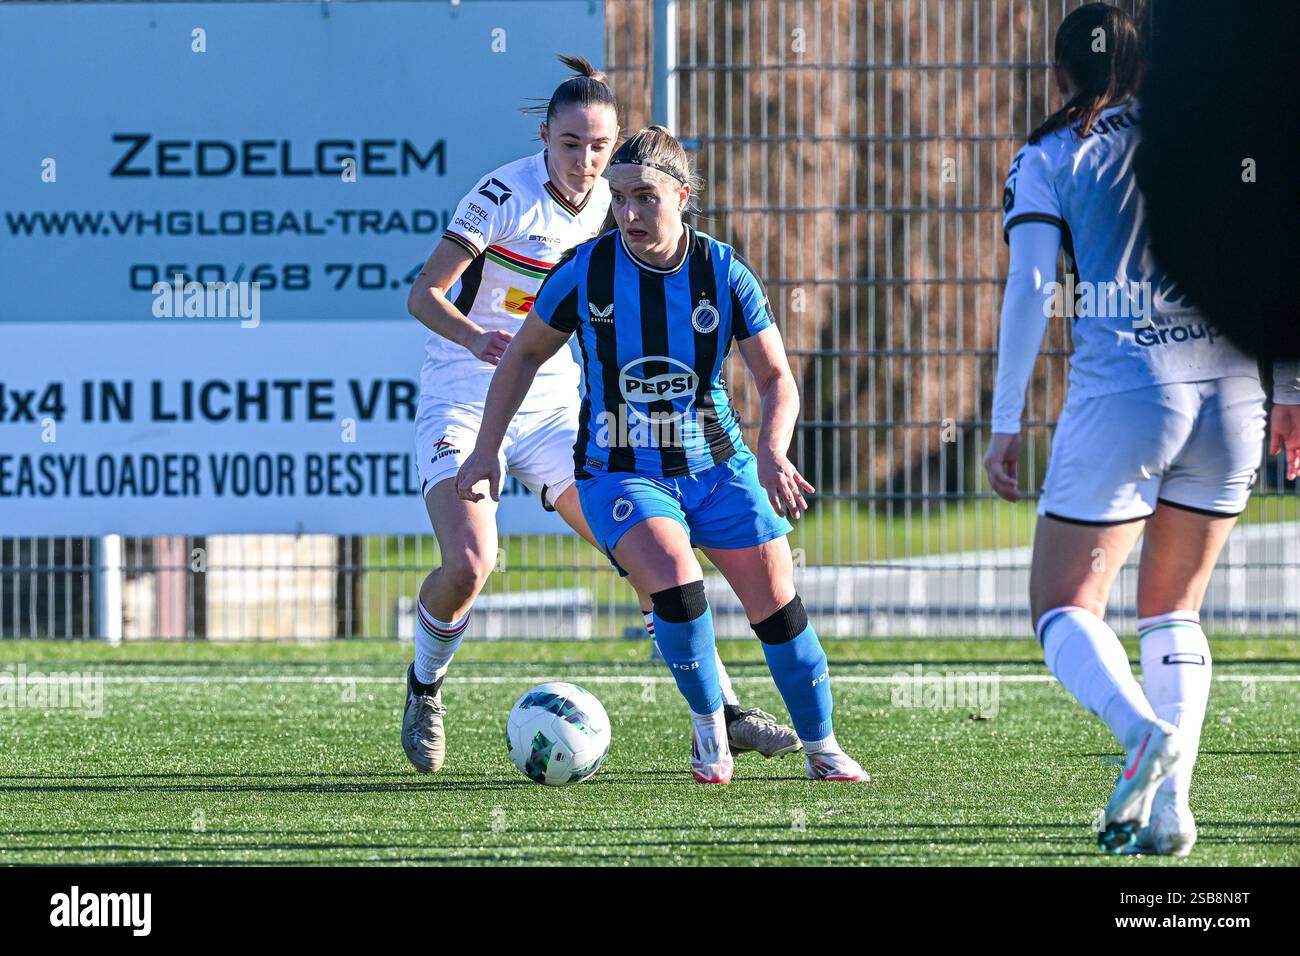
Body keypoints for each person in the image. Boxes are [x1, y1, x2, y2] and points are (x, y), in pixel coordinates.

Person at [403, 56, 797, 774]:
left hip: (559, 409)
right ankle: (425, 686)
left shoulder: (622, 199)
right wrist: (475, 337)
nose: (585, 162)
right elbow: (424, 294)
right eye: (570, 144)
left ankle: (722, 714)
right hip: (467, 397)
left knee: (649, 558)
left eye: (598, 147)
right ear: (544, 137)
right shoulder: (500, 197)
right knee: (469, 562)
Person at [456, 125, 870, 785]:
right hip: (621, 471)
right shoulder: (584, 271)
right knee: (677, 582)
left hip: (719, 467)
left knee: (779, 609)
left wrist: (770, 451)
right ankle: (712, 732)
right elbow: (524, 356)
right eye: (618, 199)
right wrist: (485, 449)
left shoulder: (723, 271)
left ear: (681, 195)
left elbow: (777, 380)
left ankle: (824, 746)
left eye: (644, 197)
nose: (628, 213)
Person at [985, 3, 1300, 854]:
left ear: (1059, 76)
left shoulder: (1050, 153)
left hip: (1127, 393)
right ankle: (1172, 810)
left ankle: (1139, 734)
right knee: (1173, 611)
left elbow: (1031, 289)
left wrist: (1005, 418)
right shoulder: (1201, 141)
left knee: (1062, 604)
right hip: (1235, 390)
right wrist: (1294, 387)